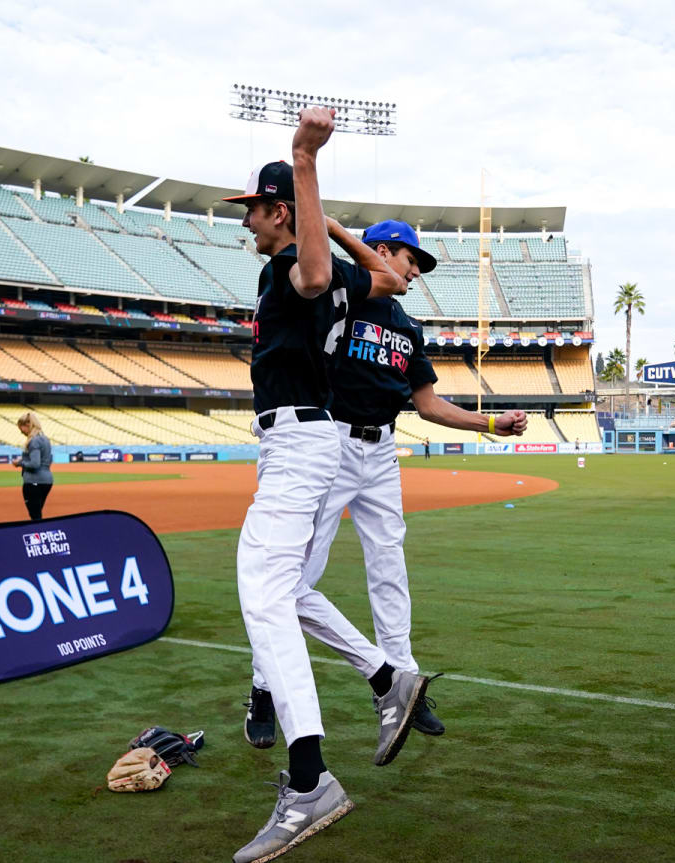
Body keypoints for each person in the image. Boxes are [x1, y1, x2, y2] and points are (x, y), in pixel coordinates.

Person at [244, 218, 527, 754]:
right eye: (409, 259)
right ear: (379, 251)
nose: (415, 272)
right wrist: (337, 232)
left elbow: (428, 404)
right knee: (298, 573)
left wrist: (490, 425)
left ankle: (403, 685)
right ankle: (263, 686)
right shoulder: (342, 293)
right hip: (328, 444)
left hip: (381, 452)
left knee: (389, 566)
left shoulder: (407, 326)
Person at [225, 109, 413, 863]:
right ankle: (386, 676)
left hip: (301, 438)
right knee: (292, 587)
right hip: (308, 441)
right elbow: (394, 276)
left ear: (279, 209)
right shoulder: (338, 272)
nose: (249, 226)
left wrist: (304, 159)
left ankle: (309, 781)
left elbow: (307, 271)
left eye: (255, 212)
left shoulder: (294, 270)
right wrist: (330, 226)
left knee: (263, 591)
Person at [11, 411, 52, 519]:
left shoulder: (34, 441)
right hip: (47, 481)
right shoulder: (45, 440)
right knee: (37, 513)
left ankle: (39, 534)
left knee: (35, 516)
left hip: (34, 481)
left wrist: (19, 463)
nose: (21, 432)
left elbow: (35, 464)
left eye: (21, 428)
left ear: (28, 425)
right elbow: (48, 459)